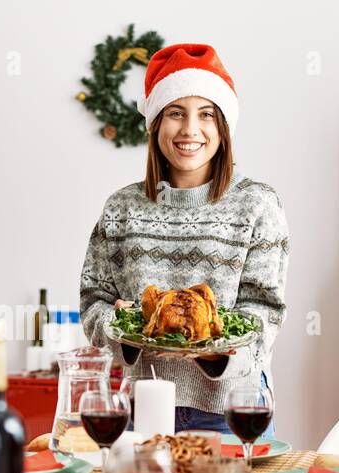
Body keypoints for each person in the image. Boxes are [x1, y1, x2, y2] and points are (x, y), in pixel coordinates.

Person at [79, 43, 288, 434]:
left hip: (232, 408)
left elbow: (266, 312)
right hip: (141, 405)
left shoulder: (258, 204)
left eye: (206, 114)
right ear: (157, 122)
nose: (190, 129)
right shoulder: (121, 208)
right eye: (176, 112)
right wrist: (122, 327)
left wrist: (215, 354)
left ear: (223, 128)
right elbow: (93, 302)